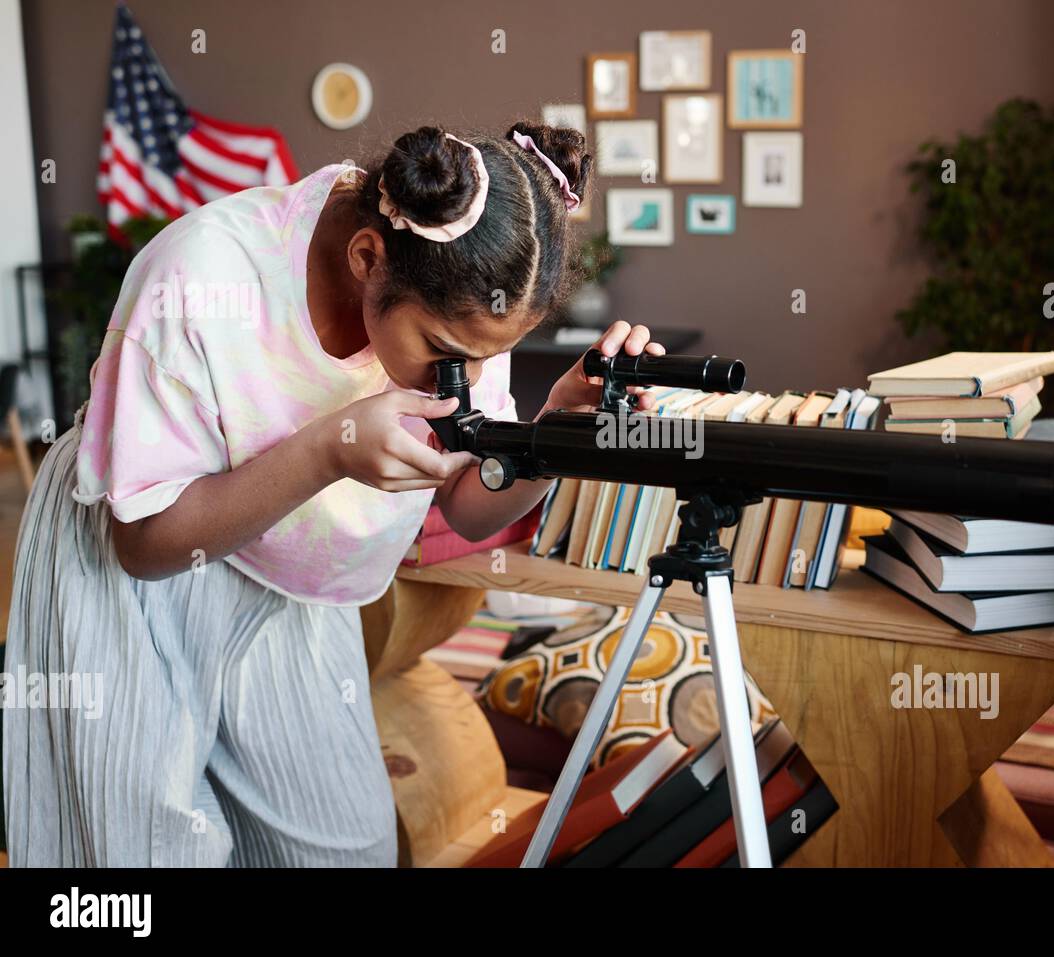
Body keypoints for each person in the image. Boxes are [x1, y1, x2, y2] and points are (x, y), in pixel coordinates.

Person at [1, 122, 663, 866]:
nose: (470, 382)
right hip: (137, 573)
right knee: (144, 856)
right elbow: (146, 544)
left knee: (345, 852)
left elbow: (467, 504)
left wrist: (554, 437)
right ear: (367, 258)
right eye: (450, 355)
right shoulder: (202, 271)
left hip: (297, 587)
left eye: (490, 358)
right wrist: (330, 448)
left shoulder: (463, 303)